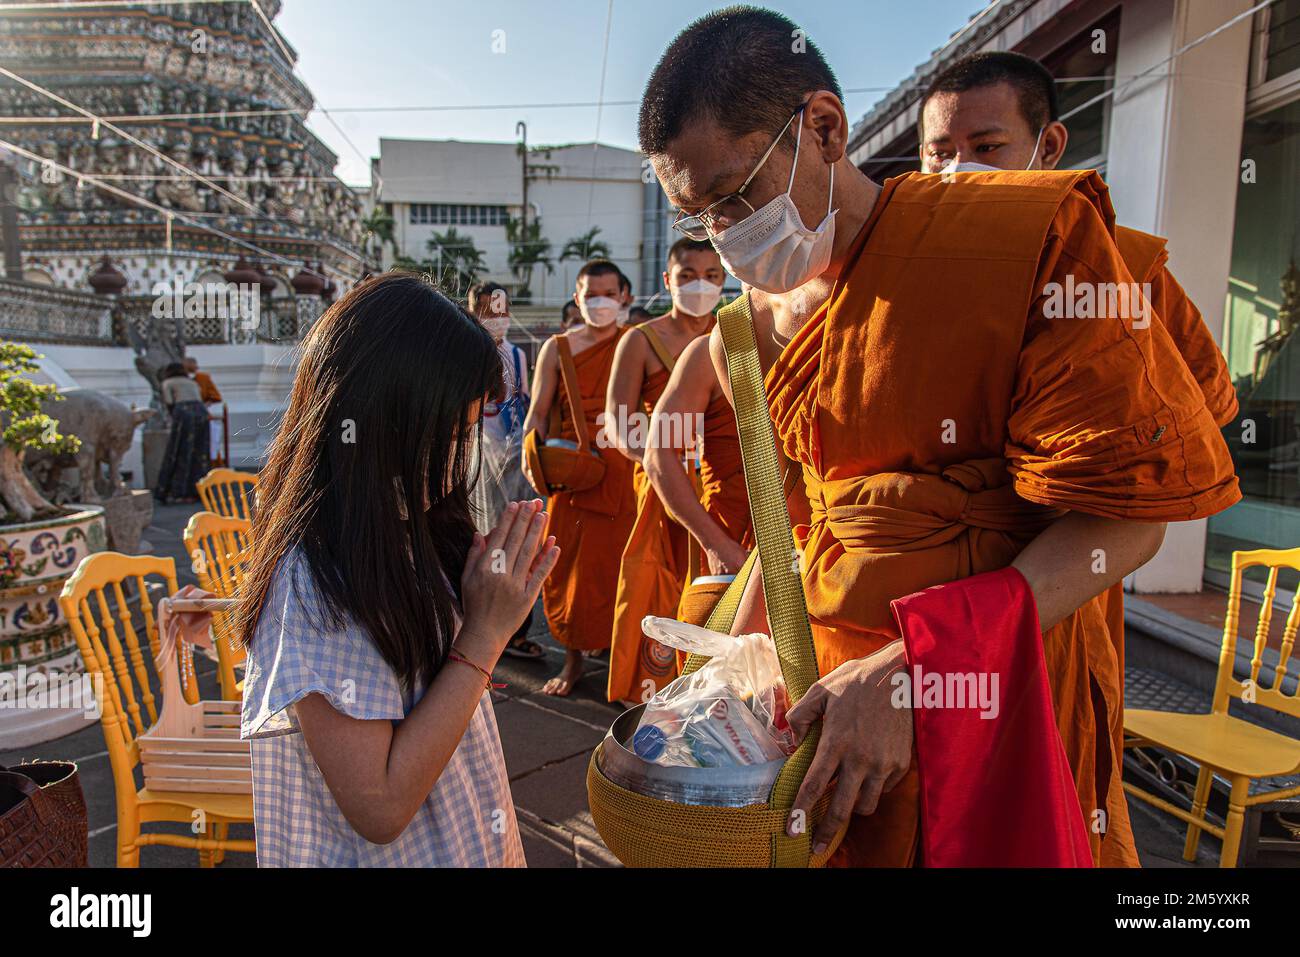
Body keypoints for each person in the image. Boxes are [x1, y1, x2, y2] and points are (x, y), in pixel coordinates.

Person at [638, 7, 1238, 865]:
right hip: (829, 717)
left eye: (738, 196)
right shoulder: (764, 318)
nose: (729, 239)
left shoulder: (1026, 242)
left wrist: (920, 674)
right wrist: (751, 653)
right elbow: (815, 521)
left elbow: (1134, 517)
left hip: (996, 691)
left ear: (824, 128)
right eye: (702, 221)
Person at [915, 49, 1242, 867]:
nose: (957, 169)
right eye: (938, 151)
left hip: (1056, 592)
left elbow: (1166, 452)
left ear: (1049, 146)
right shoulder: (904, 274)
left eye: (986, 147)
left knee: (1044, 807)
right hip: (916, 604)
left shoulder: (1119, 272)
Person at [233, 273, 559, 866]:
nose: (464, 453)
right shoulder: (316, 582)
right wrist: (486, 635)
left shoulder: (412, 526)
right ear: (381, 423)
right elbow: (380, 806)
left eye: (469, 432)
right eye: (453, 432)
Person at [604, 237, 726, 703]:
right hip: (659, 478)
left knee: (714, 577)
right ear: (667, 280)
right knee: (656, 577)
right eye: (688, 276)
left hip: (719, 477)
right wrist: (660, 458)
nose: (701, 285)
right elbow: (617, 422)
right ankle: (648, 683)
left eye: (712, 277)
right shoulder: (640, 339)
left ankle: (705, 683)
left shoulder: (731, 333)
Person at [523, 259, 637, 696]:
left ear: (624, 296)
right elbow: (538, 411)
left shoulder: (636, 343)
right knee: (568, 570)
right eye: (590, 295)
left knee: (621, 569)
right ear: (577, 297)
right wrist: (531, 459)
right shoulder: (558, 347)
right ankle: (571, 662)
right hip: (573, 472)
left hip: (627, 473)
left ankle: (623, 662)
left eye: (608, 294)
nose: (600, 302)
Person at [466, 281, 543, 661]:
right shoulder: (460, 355)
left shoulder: (516, 355)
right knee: (479, 538)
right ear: (471, 313)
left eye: (500, 310)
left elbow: (525, 407)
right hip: (473, 461)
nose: (495, 318)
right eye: (486, 310)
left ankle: (515, 631)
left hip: (511, 462)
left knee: (516, 537)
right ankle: (474, 625)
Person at [154, 361, 210, 504]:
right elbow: (199, 399)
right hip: (201, 413)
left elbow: (169, 401)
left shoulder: (168, 382)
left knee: (179, 452)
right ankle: (199, 490)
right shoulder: (191, 382)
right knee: (200, 453)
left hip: (183, 413)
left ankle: (176, 491)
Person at [183, 355, 224, 464]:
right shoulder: (181, 380)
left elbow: (216, 397)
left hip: (202, 415)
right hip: (185, 416)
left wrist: (204, 405)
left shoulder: (203, 378)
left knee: (209, 443)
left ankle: (213, 465)